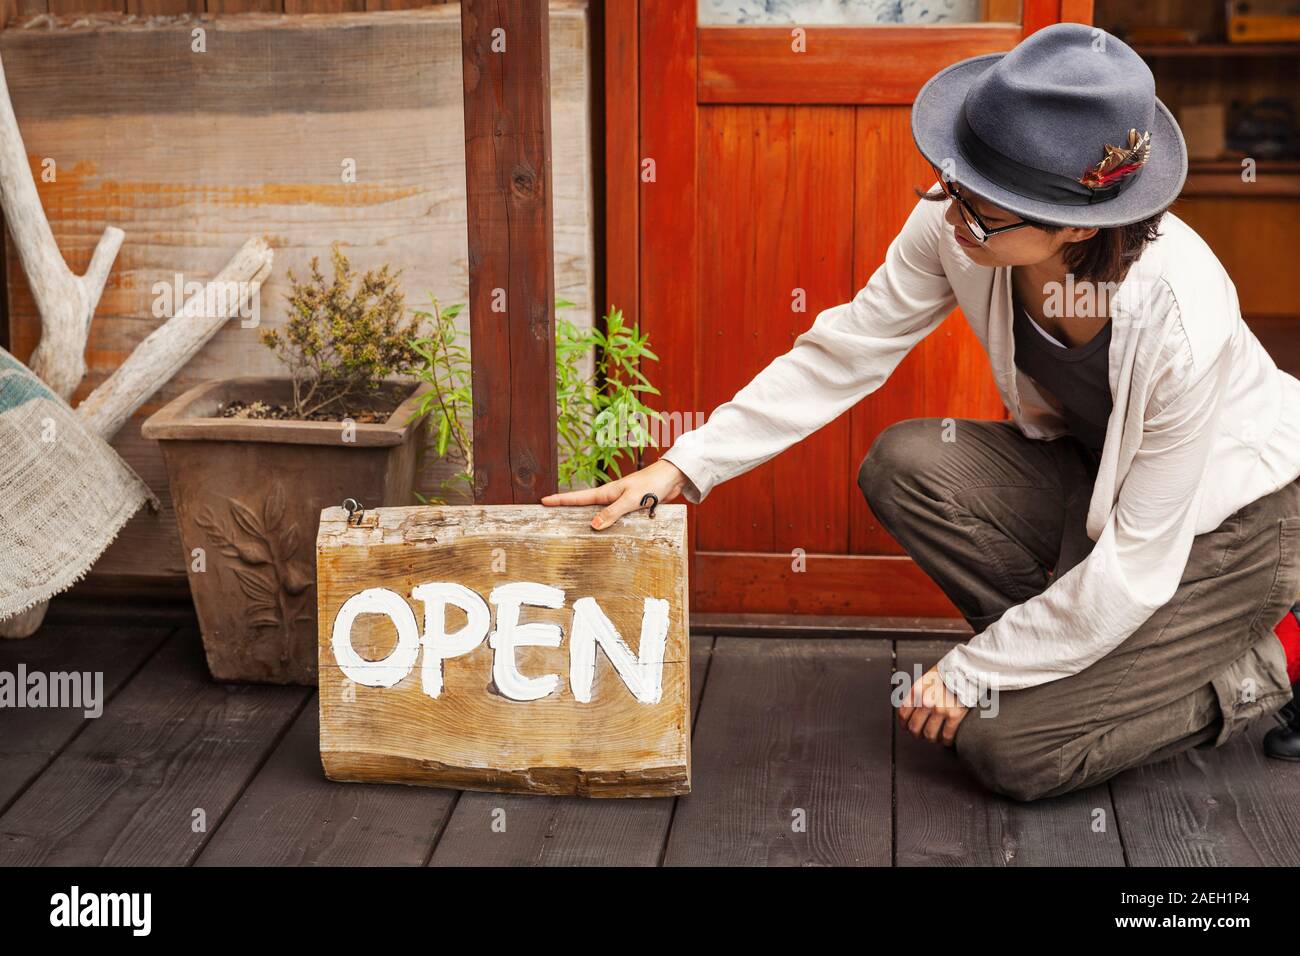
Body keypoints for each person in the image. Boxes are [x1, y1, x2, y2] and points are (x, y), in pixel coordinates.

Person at [541, 22, 1300, 801]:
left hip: (1233, 521)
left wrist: (975, 670)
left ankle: (1272, 655)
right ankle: (1076, 672)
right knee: (907, 464)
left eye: (983, 212)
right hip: (1097, 479)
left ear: (1078, 226)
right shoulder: (960, 216)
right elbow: (844, 351)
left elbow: (1138, 567)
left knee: (1012, 750)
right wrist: (679, 467)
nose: (951, 217)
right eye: (955, 185)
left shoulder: (1184, 314)